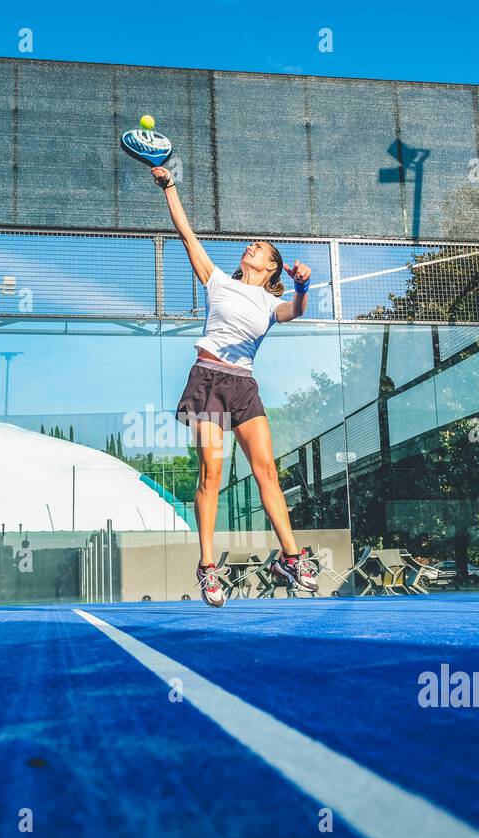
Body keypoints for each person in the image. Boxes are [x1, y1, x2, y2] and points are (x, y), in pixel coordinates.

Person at [153, 165, 319, 607]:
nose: (251, 247)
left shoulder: (274, 302)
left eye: (260, 248)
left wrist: (304, 286)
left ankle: (290, 556)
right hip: (207, 381)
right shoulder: (217, 282)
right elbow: (187, 234)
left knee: (267, 472)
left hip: (244, 387)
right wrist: (170, 187)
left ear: (271, 267)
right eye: (252, 245)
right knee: (212, 474)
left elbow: (297, 311)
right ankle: (208, 567)